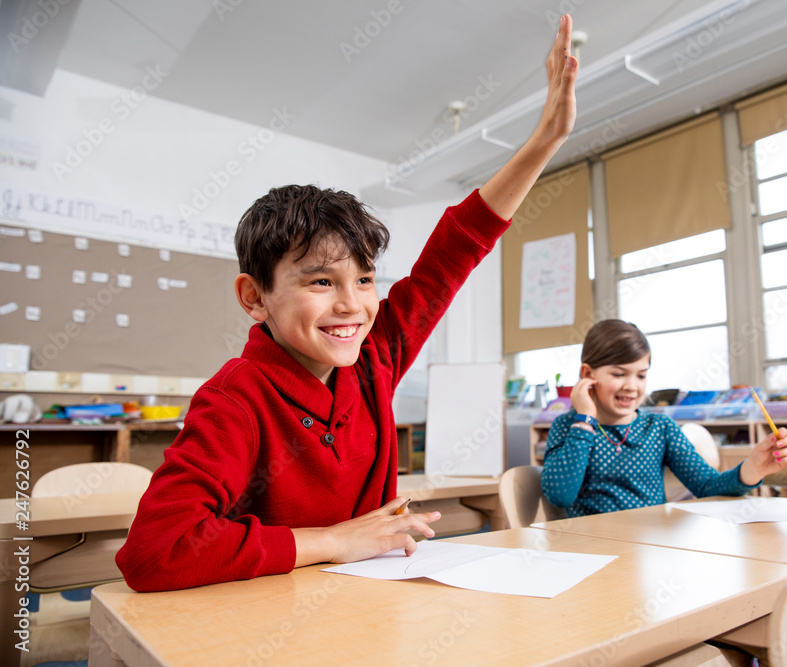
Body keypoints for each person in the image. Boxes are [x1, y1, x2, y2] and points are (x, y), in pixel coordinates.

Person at [116, 15, 579, 591]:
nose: (352, 305)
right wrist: (336, 539)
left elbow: (453, 255)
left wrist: (545, 142)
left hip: (366, 604)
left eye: (364, 280)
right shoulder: (235, 400)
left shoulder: (373, 357)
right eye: (319, 282)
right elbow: (155, 552)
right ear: (253, 297)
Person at [541, 319, 787, 517]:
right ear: (587, 374)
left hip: (651, 548)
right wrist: (584, 419)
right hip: (593, 550)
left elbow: (706, 486)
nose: (632, 386)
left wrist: (752, 469)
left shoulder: (659, 428)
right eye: (619, 374)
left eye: (641, 375)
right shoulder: (570, 426)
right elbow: (560, 496)